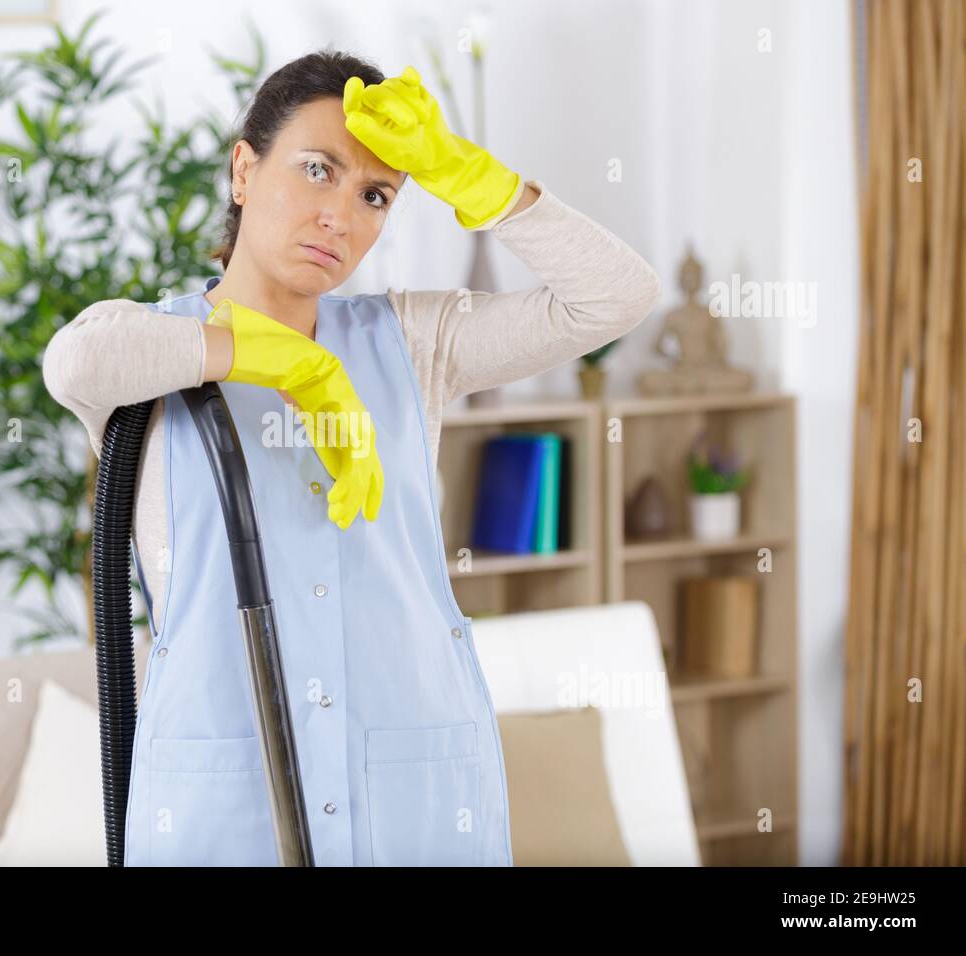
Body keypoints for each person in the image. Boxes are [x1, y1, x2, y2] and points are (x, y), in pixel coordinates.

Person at [43, 49, 661, 866]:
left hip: (414, 789)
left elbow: (616, 296)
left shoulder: (412, 342)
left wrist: (470, 177)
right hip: (224, 795)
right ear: (243, 170)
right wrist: (282, 360)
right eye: (316, 169)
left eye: (375, 194)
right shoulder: (151, 349)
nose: (342, 214)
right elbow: (74, 362)